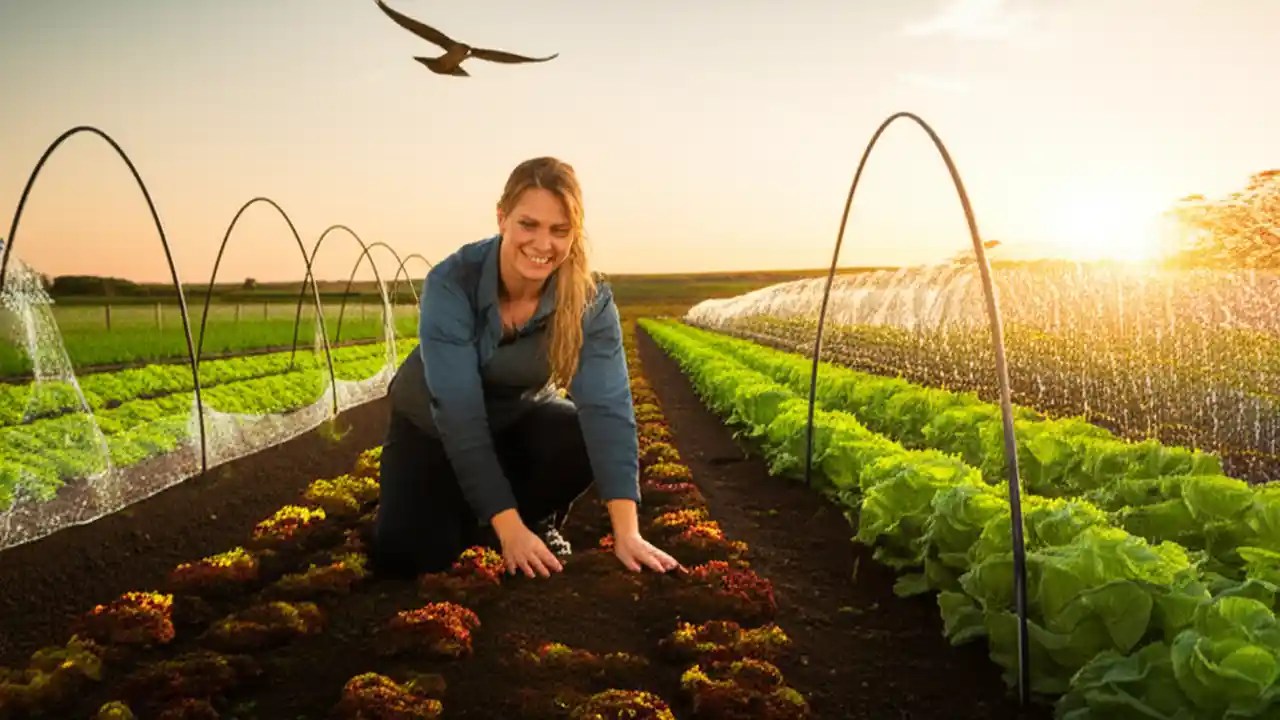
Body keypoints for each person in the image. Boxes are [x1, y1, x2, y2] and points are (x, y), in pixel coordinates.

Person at [371, 156, 681, 580]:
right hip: (432, 428)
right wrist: (506, 526)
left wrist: (627, 533)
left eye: (559, 230)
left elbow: (608, 408)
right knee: (406, 555)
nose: (542, 244)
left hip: (516, 423)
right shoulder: (453, 282)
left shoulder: (589, 299)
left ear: (575, 233)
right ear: (502, 218)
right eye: (528, 224)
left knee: (577, 433)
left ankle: (529, 521)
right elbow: (459, 414)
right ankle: (481, 516)